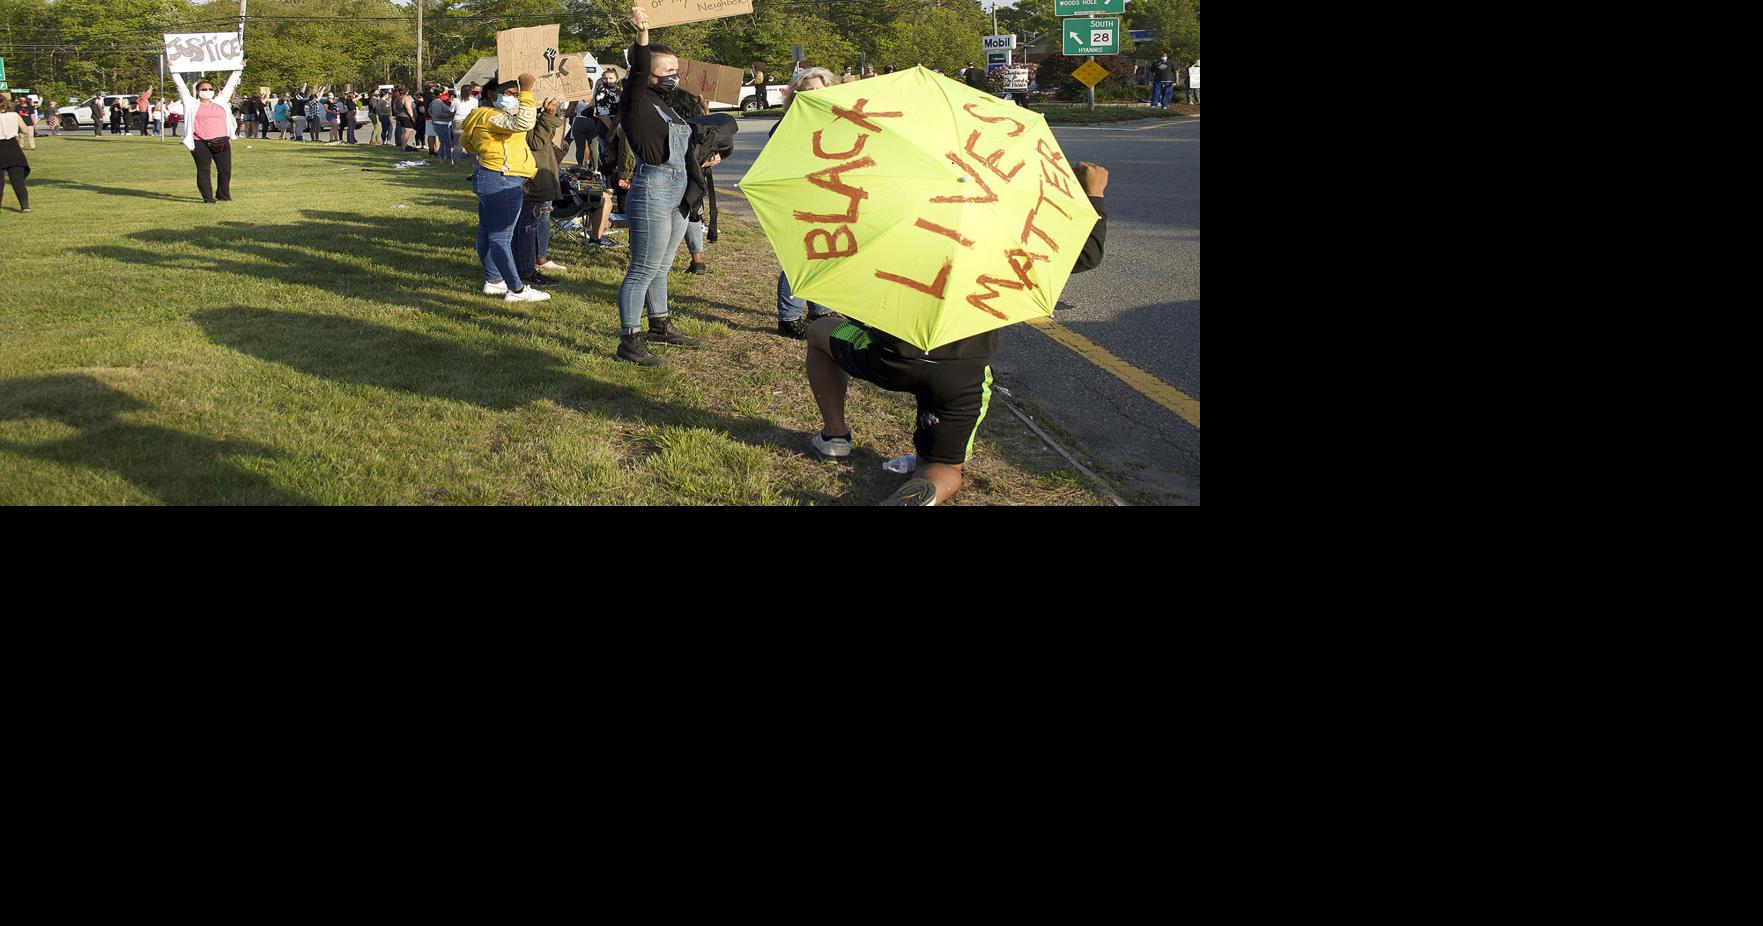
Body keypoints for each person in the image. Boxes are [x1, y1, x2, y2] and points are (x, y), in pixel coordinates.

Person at [802, 161, 1112, 505]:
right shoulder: (1004, 237)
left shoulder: (893, 220)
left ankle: (834, 436)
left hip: (888, 356)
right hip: (961, 373)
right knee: (944, 467)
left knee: (818, 331)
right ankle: (929, 489)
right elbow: (1086, 254)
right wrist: (1093, 195)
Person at [612, 6, 706, 365]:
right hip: (653, 187)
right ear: (648, 73)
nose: (674, 75)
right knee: (643, 268)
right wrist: (643, 35)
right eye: (667, 70)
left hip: (678, 189)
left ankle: (660, 324)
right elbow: (636, 67)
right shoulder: (634, 99)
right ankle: (629, 339)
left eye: (676, 70)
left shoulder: (667, 105)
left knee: (663, 265)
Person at [460, 74, 549, 304]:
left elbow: (466, 142)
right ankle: (516, 289)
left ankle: (494, 281)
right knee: (501, 237)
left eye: (517, 94)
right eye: (510, 94)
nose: (515, 98)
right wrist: (528, 91)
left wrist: (486, 151)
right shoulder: (493, 116)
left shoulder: (478, 116)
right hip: (502, 177)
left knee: (487, 233)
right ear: (492, 95)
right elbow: (524, 123)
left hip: (490, 174)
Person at [772, 67, 839, 339]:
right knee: (800, 257)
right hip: (800, 198)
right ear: (796, 94)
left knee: (826, 253)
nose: (813, 95)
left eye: (818, 90)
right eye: (807, 90)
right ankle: (789, 317)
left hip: (832, 196)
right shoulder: (787, 125)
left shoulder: (837, 121)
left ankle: (820, 309)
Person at [173, 63, 245, 203]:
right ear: (198, 92)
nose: (207, 91)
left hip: (222, 141)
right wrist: (174, 71)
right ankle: (208, 198)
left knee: (225, 170)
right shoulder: (191, 103)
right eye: (204, 89)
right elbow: (181, 88)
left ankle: (223, 195)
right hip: (200, 141)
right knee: (204, 170)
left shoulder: (220, 101)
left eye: (210, 89)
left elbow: (230, 85)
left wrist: (238, 69)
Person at [514, 97, 567, 285]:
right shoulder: (518, 112)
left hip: (535, 177)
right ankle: (526, 270)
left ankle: (528, 265)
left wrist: (551, 113)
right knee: (527, 226)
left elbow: (543, 138)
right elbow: (535, 142)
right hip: (530, 179)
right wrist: (547, 115)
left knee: (529, 224)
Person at [0, 93, 32, 212]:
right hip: (13, 148)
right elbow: (24, 129)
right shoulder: (14, 115)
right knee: (17, 181)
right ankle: (25, 206)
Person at [450, 84, 479, 162]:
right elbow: (476, 111)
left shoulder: (456, 100)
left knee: (458, 144)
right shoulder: (474, 101)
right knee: (470, 143)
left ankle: (455, 162)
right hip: (470, 122)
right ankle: (473, 161)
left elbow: (451, 112)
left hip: (458, 121)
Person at [427, 90, 456, 165]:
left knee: (444, 142)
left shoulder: (440, 102)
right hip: (440, 124)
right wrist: (450, 115)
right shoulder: (437, 102)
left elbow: (430, 111)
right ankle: (446, 159)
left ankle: (443, 159)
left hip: (444, 124)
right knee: (446, 143)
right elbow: (437, 114)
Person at [395, 86, 417, 150]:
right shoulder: (406, 98)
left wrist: (399, 112)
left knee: (403, 131)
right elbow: (408, 108)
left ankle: (403, 144)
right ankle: (404, 146)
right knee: (408, 131)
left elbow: (394, 108)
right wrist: (412, 117)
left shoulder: (397, 98)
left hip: (399, 115)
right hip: (406, 116)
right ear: (406, 92)